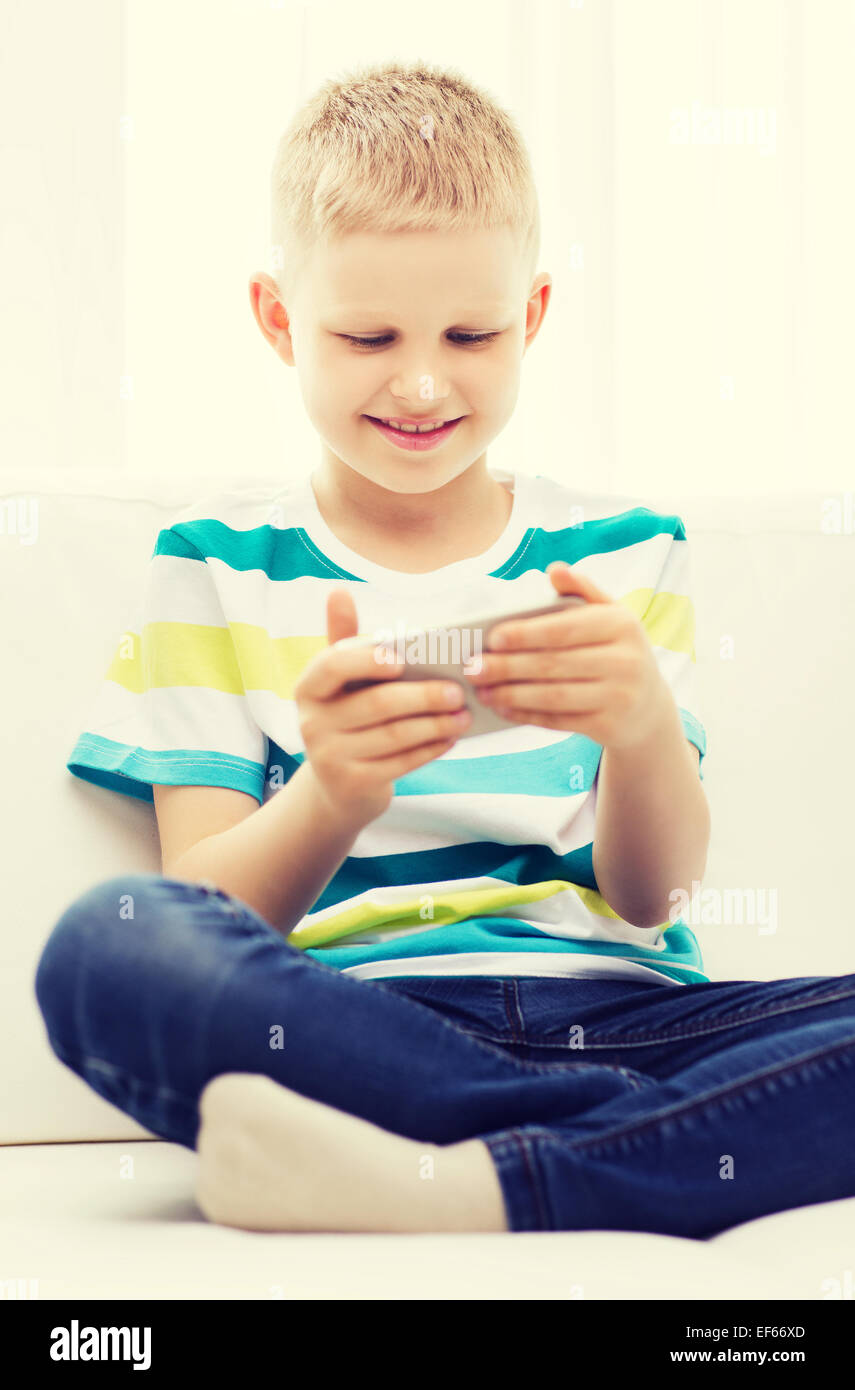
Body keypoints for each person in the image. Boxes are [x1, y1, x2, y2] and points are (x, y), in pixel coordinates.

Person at [35, 60, 855, 1237]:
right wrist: (332, 794)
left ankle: (491, 1176)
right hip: (360, 1032)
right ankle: (629, 1145)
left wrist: (639, 728)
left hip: (631, 1020)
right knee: (102, 951)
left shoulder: (627, 551)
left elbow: (654, 896)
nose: (421, 382)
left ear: (533, 317)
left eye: (471, 333)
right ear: (279, 320)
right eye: (367, 335)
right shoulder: (212, 564)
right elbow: (205, 910)